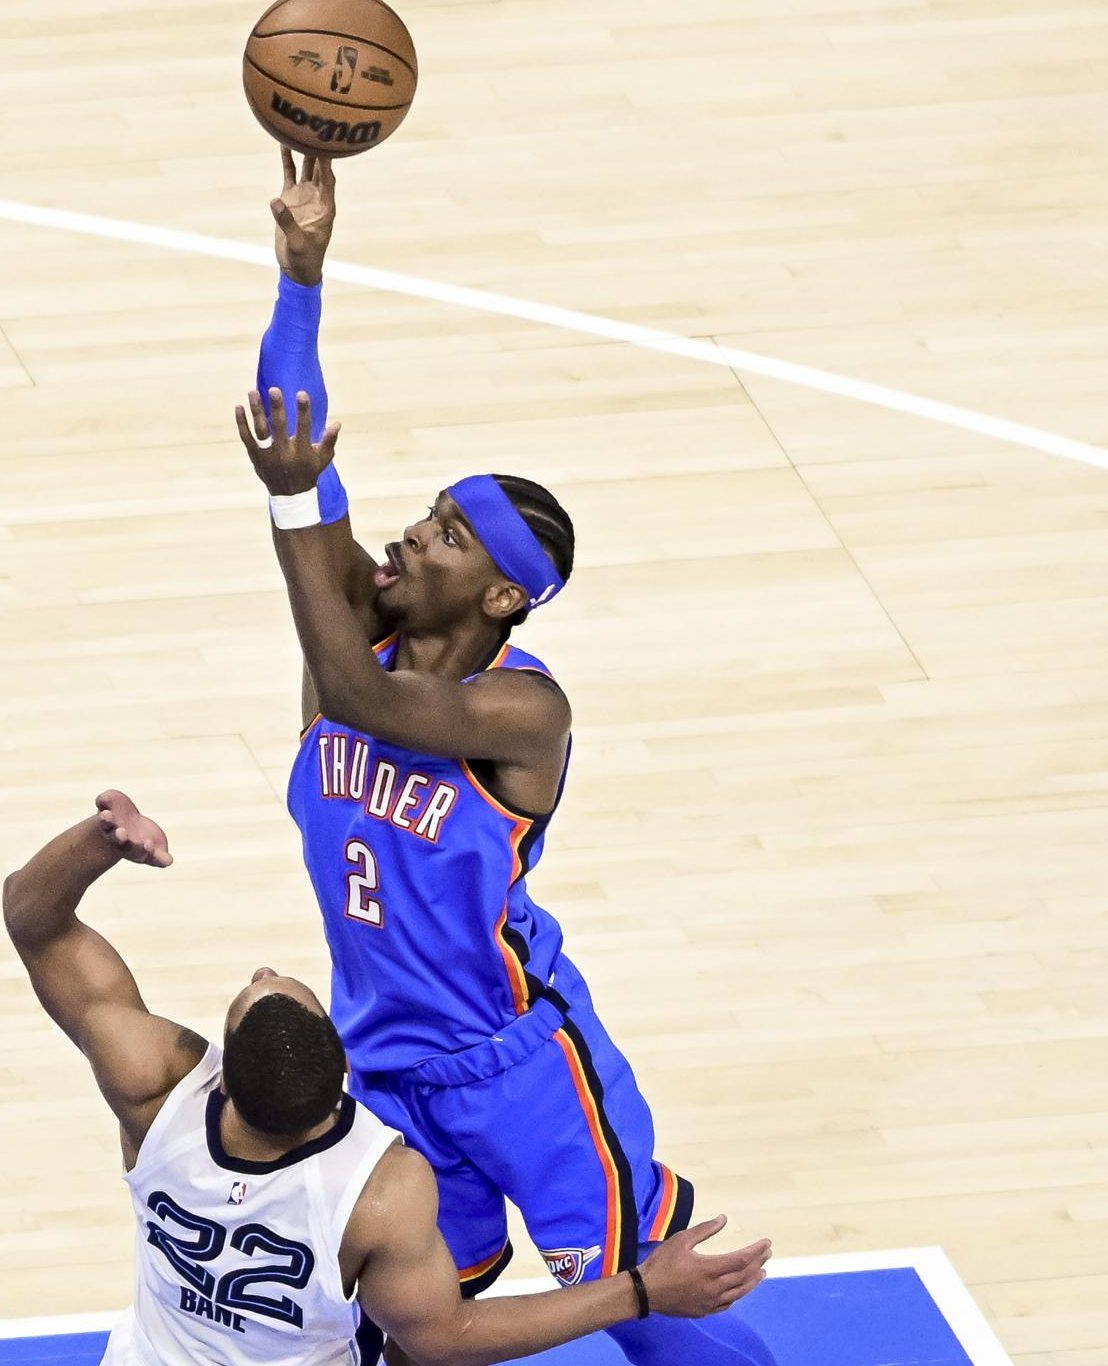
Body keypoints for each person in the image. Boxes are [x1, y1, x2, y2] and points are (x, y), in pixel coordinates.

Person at [235, 153, 778, 1366]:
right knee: (397, 1319)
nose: (403, 533)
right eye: (418, 512)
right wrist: (301, 279)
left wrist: (289, 519)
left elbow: (365, 699)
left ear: (494, 591)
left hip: (516, 1059)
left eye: (436, 533)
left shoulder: (520, 713)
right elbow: (294, 436)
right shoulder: (353, 629)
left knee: (653, 1290)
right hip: (381, 1057)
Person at [4, 789, 771, 1366]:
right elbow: (445, 1336)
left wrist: (99, 841)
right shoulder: (380, 1188)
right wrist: (641, 1292)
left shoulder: (153, 1094)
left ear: (222, 1076)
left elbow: (34, 920)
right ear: (340, 1077)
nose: (266, 967)